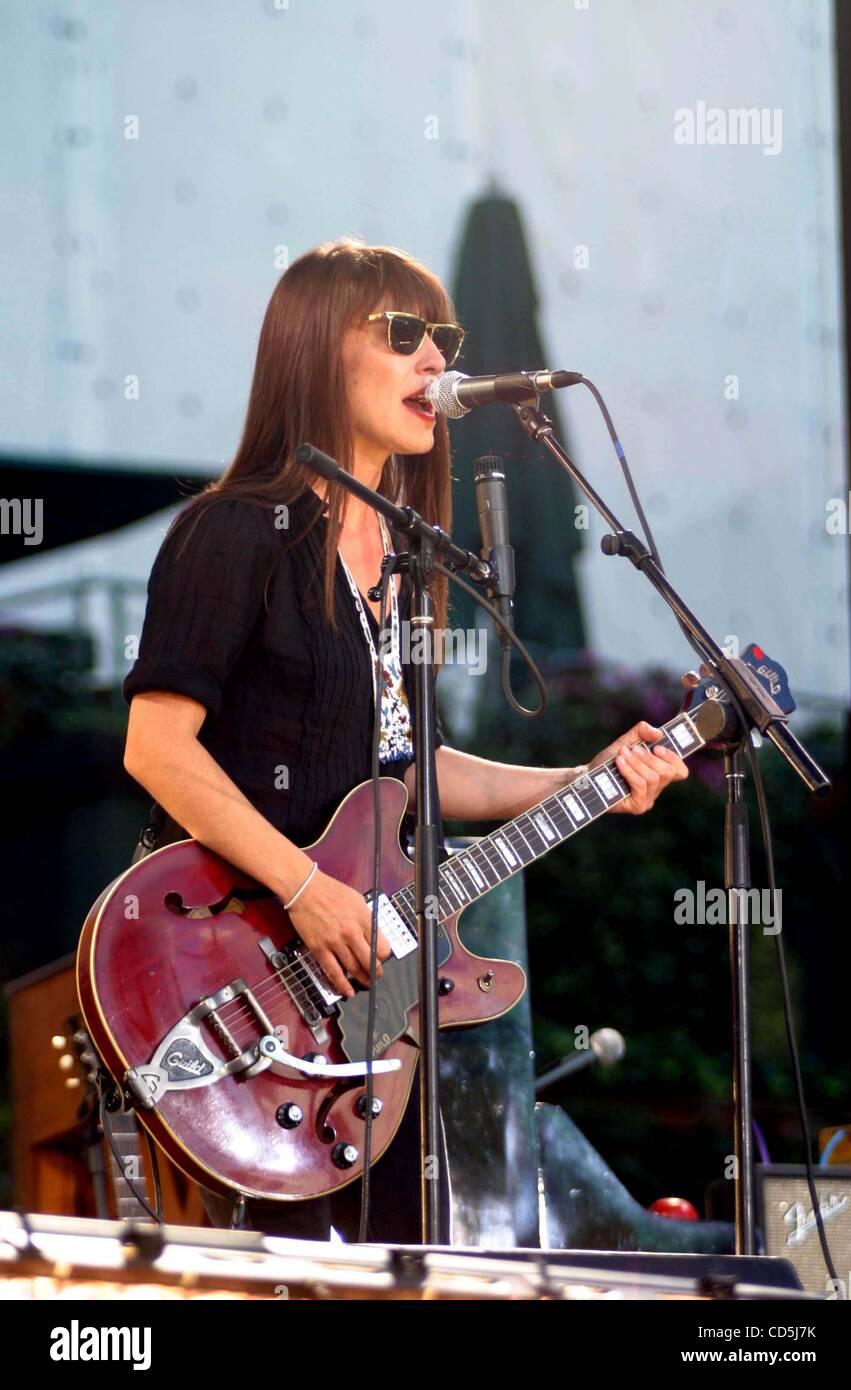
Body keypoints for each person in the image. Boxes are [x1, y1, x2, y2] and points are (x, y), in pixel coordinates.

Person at [122, 236, 688, 1244]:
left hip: (367, 998)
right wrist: (303, 889)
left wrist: (585, 775)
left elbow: (412, 768)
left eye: (445, 337)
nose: (437, 360)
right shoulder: (233, 531)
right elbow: (158, 748)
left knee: (404, 1255)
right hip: (240, 965)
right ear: (312, 351)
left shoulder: (407, 563)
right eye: (402, 334)